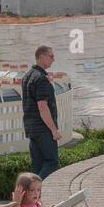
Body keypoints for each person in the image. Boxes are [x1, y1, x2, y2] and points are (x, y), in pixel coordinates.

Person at [21, 44, 63, 182]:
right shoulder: (41, 79)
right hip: (43, 129)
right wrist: (54, 130)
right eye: (51, 56)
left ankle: (31, 199)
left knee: (37, 165)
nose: (53, 59)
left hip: (31, 128)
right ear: (42, 57)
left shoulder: (27, 76)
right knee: (52, 162)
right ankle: (34, 191)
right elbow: (43, 106)